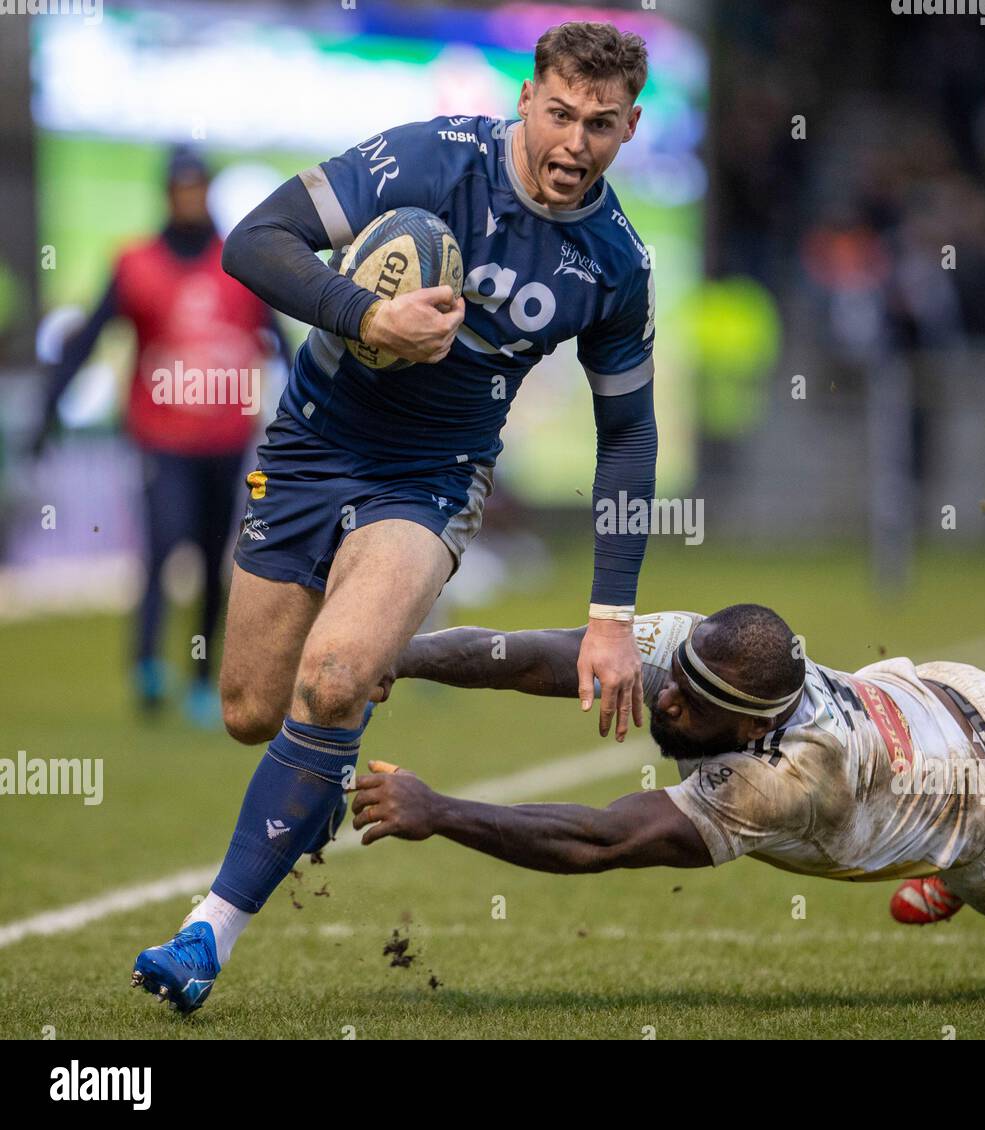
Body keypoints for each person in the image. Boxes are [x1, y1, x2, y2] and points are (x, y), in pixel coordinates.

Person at [132, 22, 659, 1013]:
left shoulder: (615, 263)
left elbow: (627, 433)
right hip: (307, 447)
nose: (573, 141)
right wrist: (365, 315)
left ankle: (206, 934)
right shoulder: (428, 158)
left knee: (332, 679)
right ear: (526, 99)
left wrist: (612, 615)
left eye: (599, 124)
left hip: (431, 478)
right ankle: (319, 764)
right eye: (558, 112)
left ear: (629, 127)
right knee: (253, 709)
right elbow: (256, 240)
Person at [350, 606, 985, 937]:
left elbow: (602, 839)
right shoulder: (711, 652)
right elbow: (545, 655)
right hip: (948, 699)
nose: (669, 705)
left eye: (696, 707)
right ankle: (944, 864)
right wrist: (397, 653)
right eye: (677, 681)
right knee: (936, 838)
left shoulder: (789, 775)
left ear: (759, 722)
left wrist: (439, 809)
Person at [33, 146, 290, 723]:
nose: (190, 197)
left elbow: (280, 342)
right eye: (182, 187)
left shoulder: (239, 265)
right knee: (162, 542)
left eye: (199, 186)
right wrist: (49, 407)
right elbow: (88, 337)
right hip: (161, 437)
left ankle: (202, 676)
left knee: (210, 553)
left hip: (224, 437)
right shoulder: (137, 264)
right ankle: (148, 665)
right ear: (167, 193)